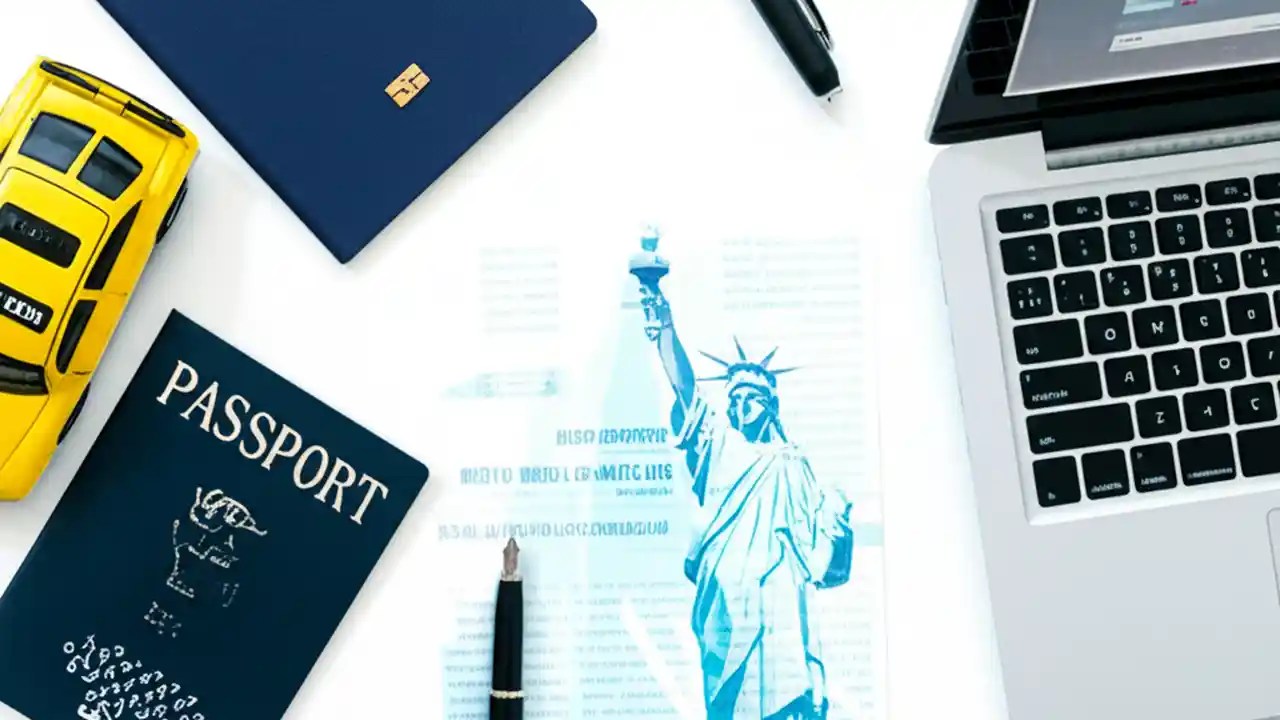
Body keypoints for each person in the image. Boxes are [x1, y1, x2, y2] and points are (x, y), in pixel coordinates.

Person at [636, 278, 854, 720]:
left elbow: (819, 552)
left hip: (778, 587)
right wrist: (664, 322)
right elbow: (685, 388)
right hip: (726, 586)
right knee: (729, 699)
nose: (739, 408)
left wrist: (836, 514)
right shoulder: (719, 443)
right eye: (734, 400)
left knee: (786, 691)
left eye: (750, 399)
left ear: (770, 404)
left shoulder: (792, 462)